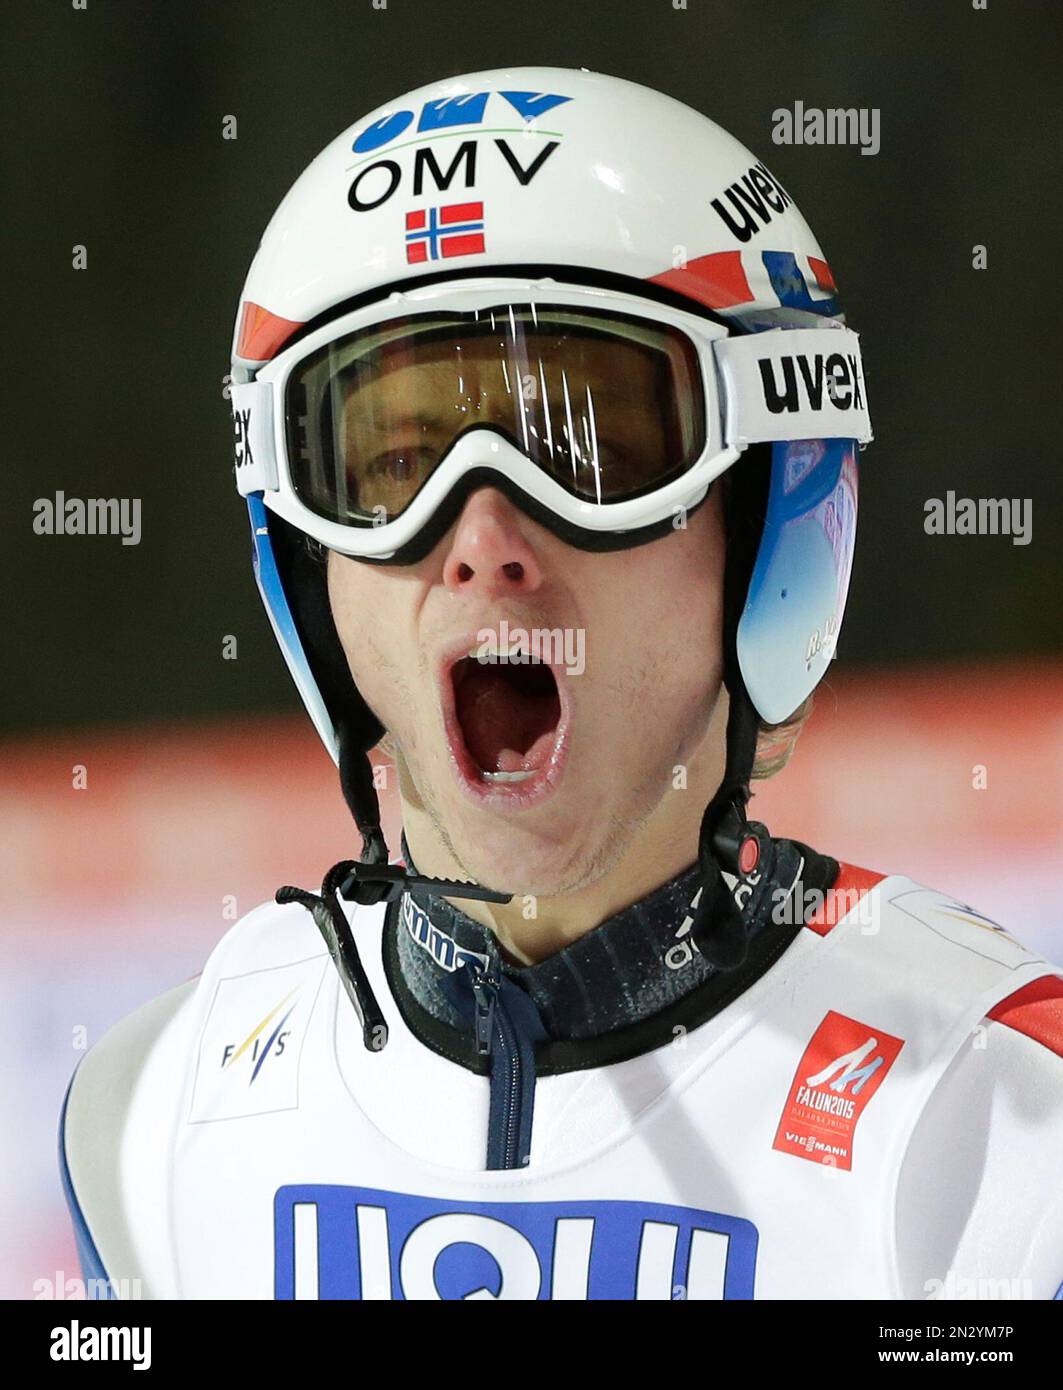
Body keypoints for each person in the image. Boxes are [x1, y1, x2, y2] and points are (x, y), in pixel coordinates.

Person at [61, 65, 1063, 1301]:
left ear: (770, 521)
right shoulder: (155, 1114)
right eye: (393, 463)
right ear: (306, 563)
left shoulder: (1000, 1138)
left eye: (584, 450)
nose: (482, 539)